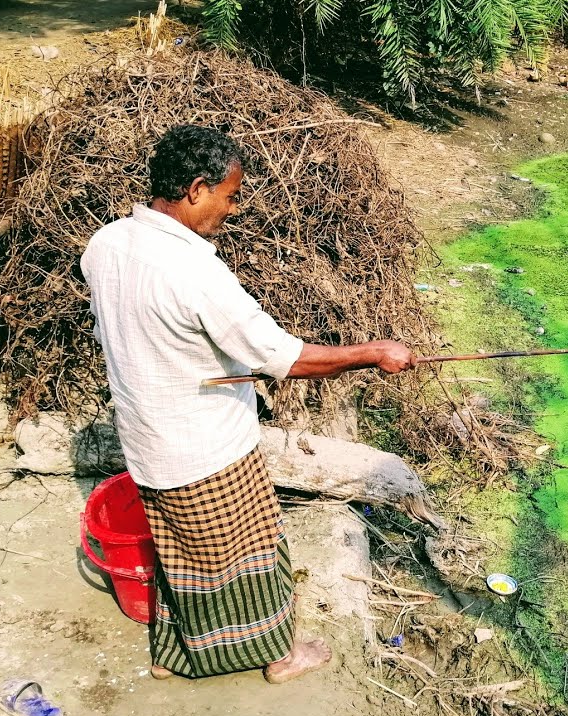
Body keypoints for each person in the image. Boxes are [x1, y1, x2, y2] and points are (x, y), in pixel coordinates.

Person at [80, 125, 416, 683]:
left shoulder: (106, 244)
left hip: (144, 443)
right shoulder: (195, 272)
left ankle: (175, 653)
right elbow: (283, 357)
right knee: (249, 553)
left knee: (179, 553)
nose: (231, 209)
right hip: (206, 448)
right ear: (195, 189)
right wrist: (374, 352)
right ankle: (279, 658)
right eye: (229, 195)